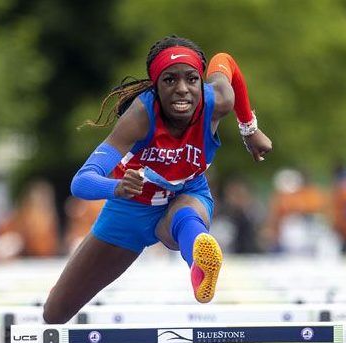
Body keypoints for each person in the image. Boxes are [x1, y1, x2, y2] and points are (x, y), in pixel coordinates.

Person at [42, 35, 272, 323]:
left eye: (191, 79)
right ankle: (195, 248)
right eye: (169, 81)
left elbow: (225, 60)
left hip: (186, 195)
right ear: (156, 85)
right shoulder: (140, 117)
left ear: (201, 82)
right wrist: (117, 187)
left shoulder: (217, 100)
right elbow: (82, 181)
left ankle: (199, 260)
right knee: (55, 313)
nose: (183, 90)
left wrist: (248, 127)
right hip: (131, 210)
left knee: (184, 215)